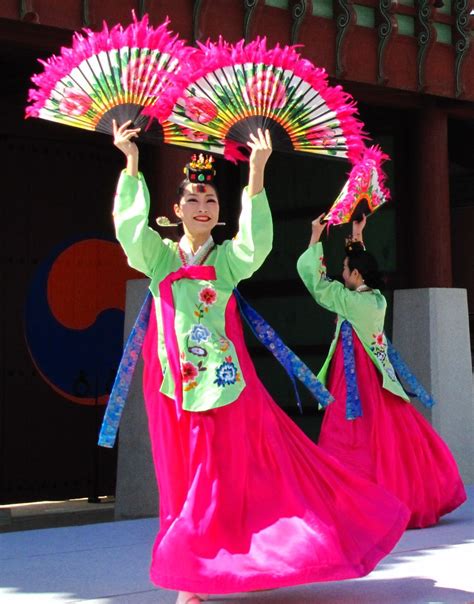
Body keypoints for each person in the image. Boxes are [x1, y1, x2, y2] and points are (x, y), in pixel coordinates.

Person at [112, 120, 409, 604]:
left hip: (227, 385)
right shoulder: (161, 259)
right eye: (193, 200)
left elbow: (256, 247)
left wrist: (257, 170)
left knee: (219, 475)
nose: (203, 208)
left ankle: (199, 577)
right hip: (171, 383)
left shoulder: (227, 260)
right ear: (176, 209)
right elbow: (129, 231)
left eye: (210, 201)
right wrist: (131, 161)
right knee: (179, 478)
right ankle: (195, 571)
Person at [297, 213, 467, 529]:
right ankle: (390, 497)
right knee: (390, 438)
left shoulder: (348, 302)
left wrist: (315, 237)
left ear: (356, 275)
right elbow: (359, 266)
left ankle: (352, 501)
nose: (341, 273)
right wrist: (357, 235)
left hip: (354, 378)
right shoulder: (374, 298)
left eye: (345, 270)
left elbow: (316, 284)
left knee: (348, 435)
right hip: (378, 376)